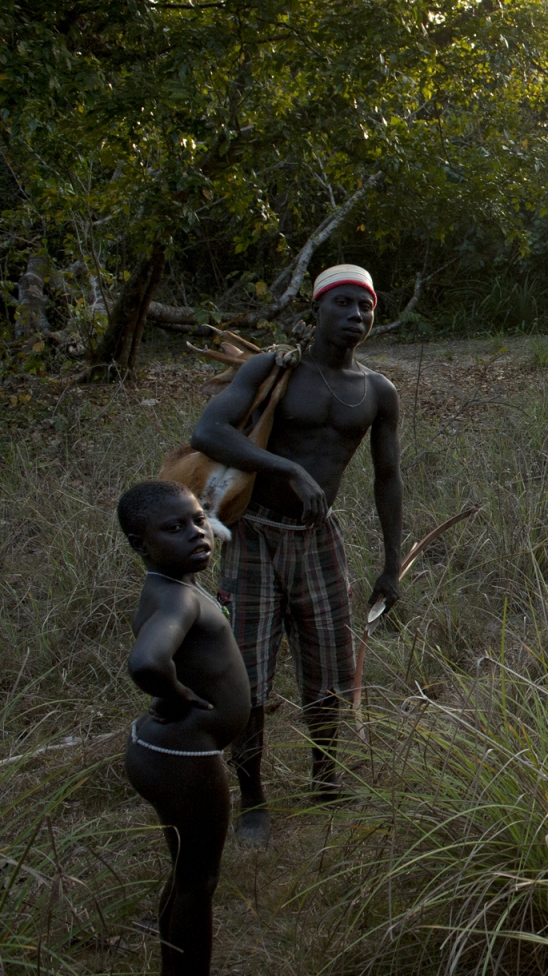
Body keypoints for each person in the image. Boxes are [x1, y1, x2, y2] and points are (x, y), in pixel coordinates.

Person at [190, 264, 403, 848]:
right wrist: (285, 467)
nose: (356, 316)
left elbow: (388, 478)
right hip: (254, 536)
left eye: (366, 307)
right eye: (344, 304)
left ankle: (325, 779)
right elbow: (209, 430)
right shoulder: (274, 369)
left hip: (319, 542)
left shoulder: (378, 391)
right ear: (317, 311)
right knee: (248, 678)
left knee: (330, 669)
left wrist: (391, 563)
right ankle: (253, 798)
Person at [118, 480, 251, 975]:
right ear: (141, 544)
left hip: (167, 752)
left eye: (198, 520)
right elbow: (147, 662)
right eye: (174, 528)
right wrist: (177, 695)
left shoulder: (172, 588)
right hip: (183, 757)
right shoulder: (179, 599)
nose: (197, 534)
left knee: (186, 875)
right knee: (200, 883)